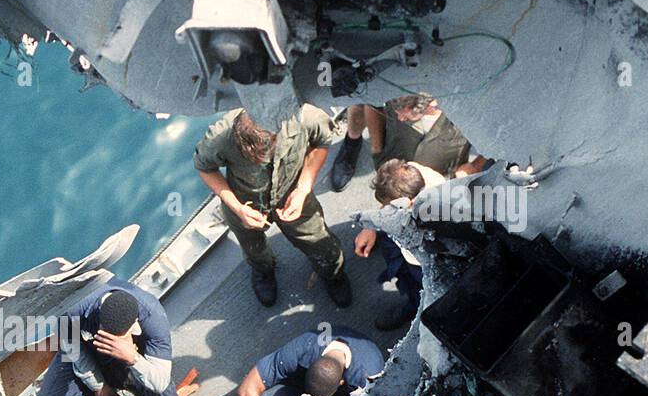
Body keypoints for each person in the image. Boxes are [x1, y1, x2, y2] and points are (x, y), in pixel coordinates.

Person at [194, 105, 352, 308]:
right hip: (244, 201)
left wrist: (303, 188)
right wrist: (237, 208)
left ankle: (332, 274)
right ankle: (263, 269)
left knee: (320, 243)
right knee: (253, 248)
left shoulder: (307, 117)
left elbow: (322, 142)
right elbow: (205, 168)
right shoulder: (219, 137)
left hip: (294, 192)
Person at [34, 280, 179, 396]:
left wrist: (132, 357)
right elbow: (73, 349)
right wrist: (98, 386)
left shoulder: (154, 318)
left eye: (115, 340)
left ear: (134, 325)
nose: (111, 344)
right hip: (89, 351)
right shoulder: (71, 311)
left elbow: (161, 382)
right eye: (105, 339)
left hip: (130, 358)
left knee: (162, 393)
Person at [354, 158, 445, 330]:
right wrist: (372, 226)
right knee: (406, 279)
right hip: (400, 240)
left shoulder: (442, 205)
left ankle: (423, 314)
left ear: (410, 202)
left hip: (424, 257)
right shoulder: (409, 174)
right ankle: (412, 302)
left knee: (427, 290)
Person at [329, 93, 486, 192]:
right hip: (395, 160)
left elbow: (503, 140)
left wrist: (475, 166)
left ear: (431, 106)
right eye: (396, 112)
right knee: (358, 105)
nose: (400, 119)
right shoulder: (396, 94)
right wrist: (377, 150)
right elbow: (372, 106)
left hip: (443, 177)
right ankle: (352, 143)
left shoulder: (468, 108)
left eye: (406, 116)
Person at [237, 325, 385, 396]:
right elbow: (246, 390)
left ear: (341, 382)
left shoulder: (369, 376)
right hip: (301, 387)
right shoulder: (304, 347)